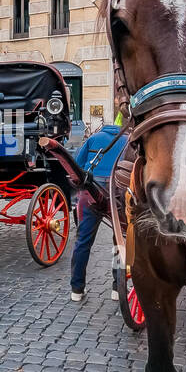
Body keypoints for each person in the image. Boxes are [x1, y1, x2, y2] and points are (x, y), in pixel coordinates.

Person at [69, 121, 127, 301]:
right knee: (120, 241)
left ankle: (77, 289)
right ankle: (117, 288)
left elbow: (77, 165)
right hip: (117, 191)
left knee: (83, 240)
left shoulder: (94, 138)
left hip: (92, 191)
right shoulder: (127, 141)